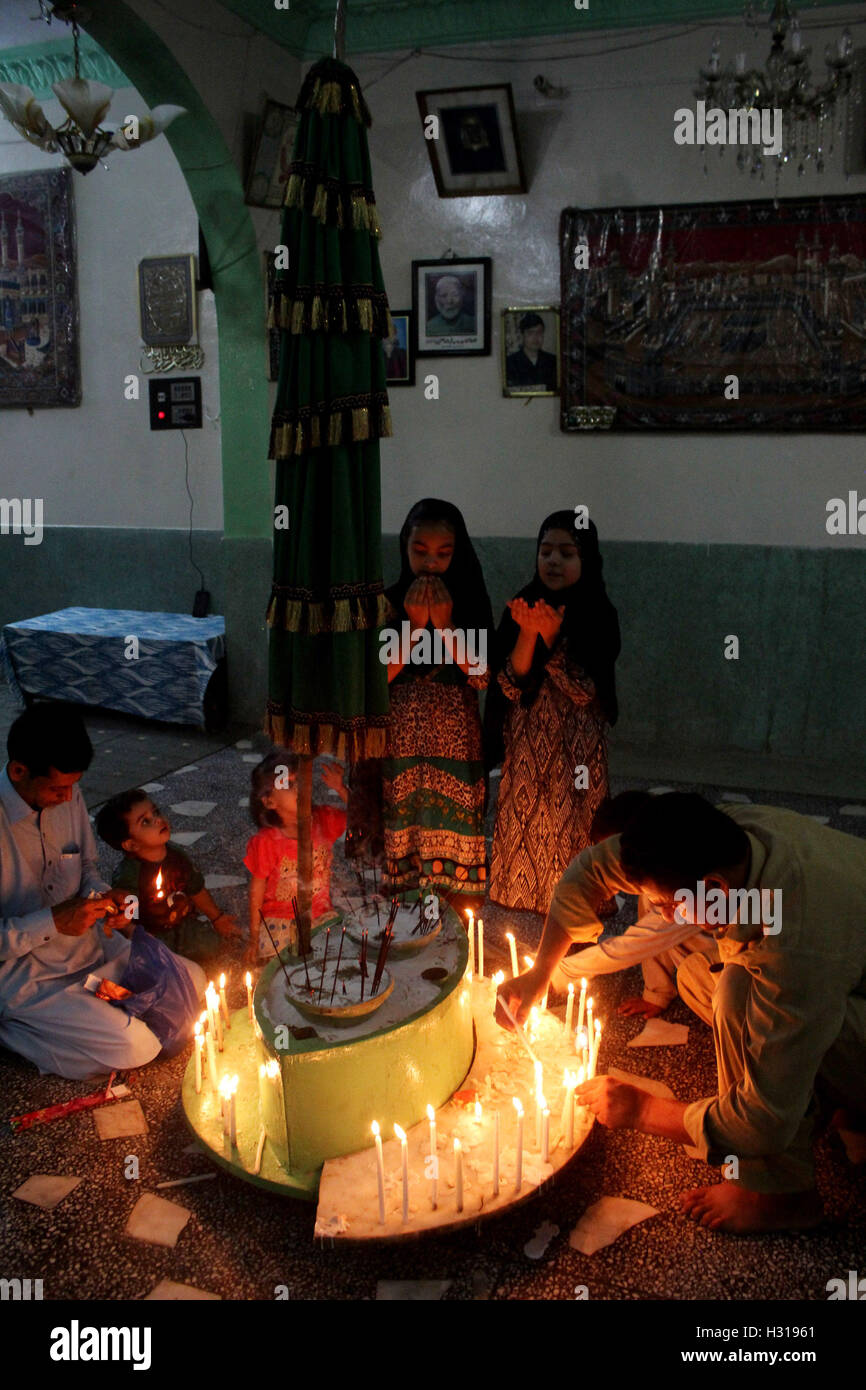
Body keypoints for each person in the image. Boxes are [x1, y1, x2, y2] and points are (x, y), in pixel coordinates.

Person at [496, 792, 866, 1234]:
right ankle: (834, 1098)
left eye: (670, 906)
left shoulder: (795, 941)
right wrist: (540, 973)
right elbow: (590, 870)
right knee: (700, 974)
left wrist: (644, 1111)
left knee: (737, 994)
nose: (669, 917)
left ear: (714, 890)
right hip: (844, 976)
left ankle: (783, 1196)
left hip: (824, 968)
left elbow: (763, 1123)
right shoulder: (724, 837)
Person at [0, 706, 205, 1080]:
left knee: (194, 981)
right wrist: (52, 921)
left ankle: (104, 1019)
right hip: (30, 978)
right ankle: (16, 1031)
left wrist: (105, 899)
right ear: (18, 771)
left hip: (92, 950)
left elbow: (87, 868)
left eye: (72, 787)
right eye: (57, 789)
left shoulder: (69, 795)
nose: (67, 798)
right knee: (138, 1046)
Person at [484, 511, 620, 915]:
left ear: (587, 560)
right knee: (528, 827)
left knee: (573, 831)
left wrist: (554, 639)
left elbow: (585, 691)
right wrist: (529, 633)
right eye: (545, 551)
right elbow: (509, 684)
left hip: (577, 751)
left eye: (566, 553)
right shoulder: (522, 606)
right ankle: (531, 925)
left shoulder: (598, 614)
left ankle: (575, 921)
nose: (554, 561)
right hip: (528, 746)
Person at [380, 498, 492, 906]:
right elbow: (378, 680)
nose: (430, 563)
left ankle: (458, 927)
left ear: (457, 553)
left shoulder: (470, 600)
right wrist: (411, 627)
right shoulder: (388, 602)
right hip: (403, 739)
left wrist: (444, 626)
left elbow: (480, 676)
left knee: (458, 832)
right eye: (419, 551)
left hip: (456, 743)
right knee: (406, 827)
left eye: (444, 554)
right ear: (403, 548)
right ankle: (409, 927)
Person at [551, 791, 719, 1015]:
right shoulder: (658, 866)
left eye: (617, 857)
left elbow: (640, 942)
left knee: (675, 943)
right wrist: (655, 995)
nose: (619, 870)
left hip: (731, 981)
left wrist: (559, 971)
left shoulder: (685, 881)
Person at [95, 790, 241, 965]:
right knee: (161, 963)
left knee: (211, 946)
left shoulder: (177, 857)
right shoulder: (130, 874)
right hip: (152, 934)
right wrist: (126, 923)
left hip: (183, 923)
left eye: (156, 812)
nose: (157, 819)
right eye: (145, 821)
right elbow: (126, 906)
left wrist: (217, 919)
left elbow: (195, 888)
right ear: (131, 844)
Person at [244, 750, 347, 963]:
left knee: (336, 960)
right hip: (279, 921)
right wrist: (254, 937)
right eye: (288, 784)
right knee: (283, 971)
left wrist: (340, 788)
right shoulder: (267, 841)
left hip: (321, 914)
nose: (299, 787)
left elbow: (360, 816)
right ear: (269, 801)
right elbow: (258, 887)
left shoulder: (324, 820)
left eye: (300, 780)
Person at [505, 312, 558, 391]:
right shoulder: (510, 362)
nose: (535, 337)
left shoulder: (553, 361)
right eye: (530, 333)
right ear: (522, 335)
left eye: (539, 332)